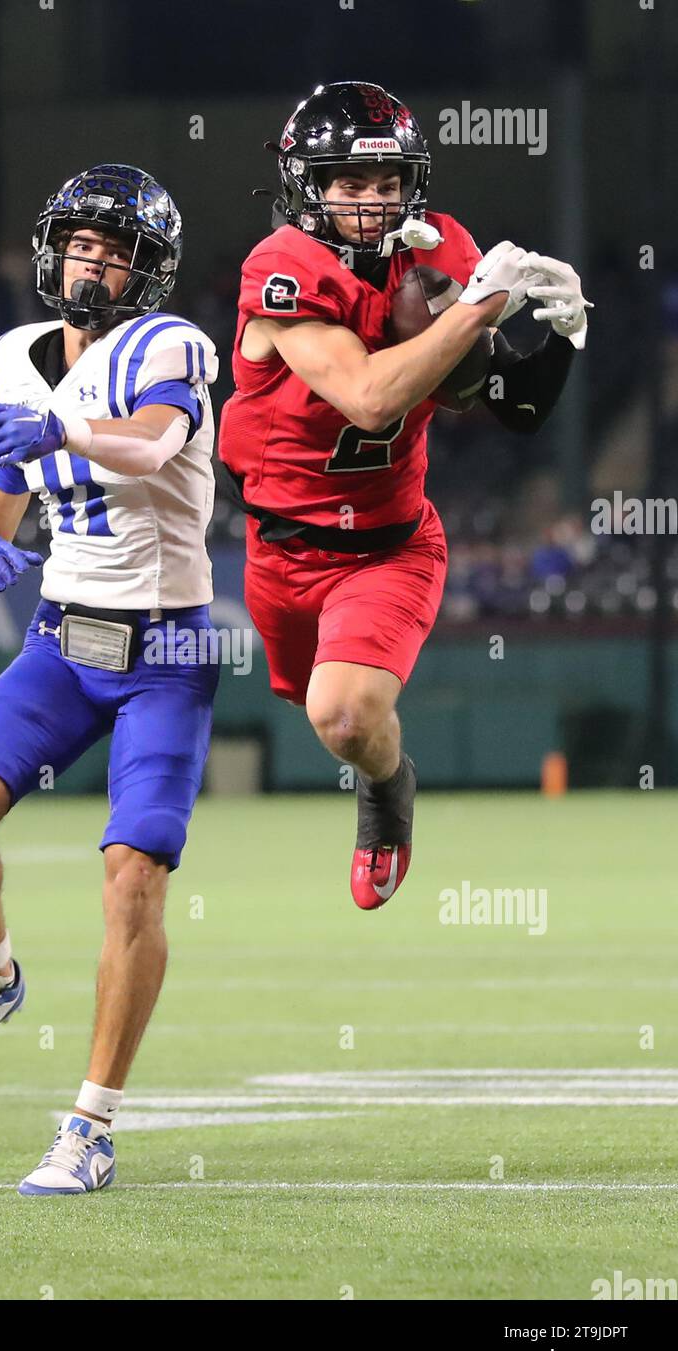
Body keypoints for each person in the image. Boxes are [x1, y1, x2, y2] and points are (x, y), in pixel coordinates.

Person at [0, 164, 219, 1196]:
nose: (95, 259)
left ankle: (90, 1125)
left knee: (133, 873)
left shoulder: (166, 343)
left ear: (149, 267)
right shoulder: (8, 363)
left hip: (165, 649)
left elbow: (153, 441)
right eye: (82, 241)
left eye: (116, 245)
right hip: (60, 641)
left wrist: (67, 432)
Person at [219, 81, 590, 909]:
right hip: (280, 547)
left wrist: (562, 338)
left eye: (389, 186)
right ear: (305, 186)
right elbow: (370, 398)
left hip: (390, 546)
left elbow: (514, 409)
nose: (374, 204)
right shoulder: (282, 268)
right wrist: (482, 307)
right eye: (351, 184)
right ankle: (379, 771)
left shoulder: (437, 257)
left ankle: (388, 796)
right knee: (327, 713)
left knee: (345, 718)